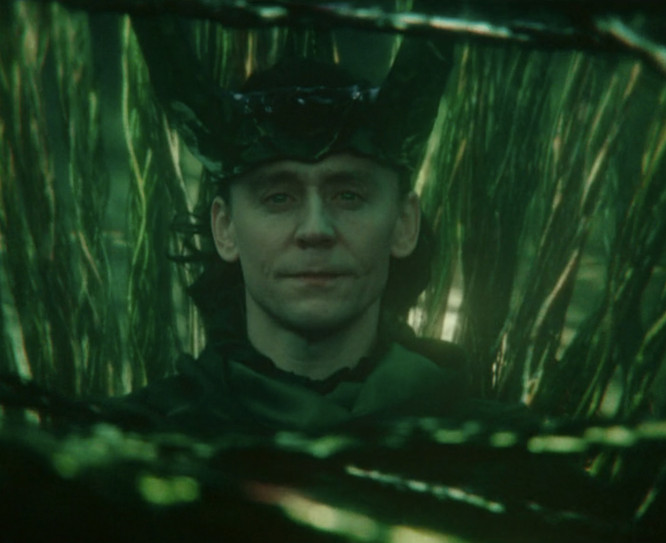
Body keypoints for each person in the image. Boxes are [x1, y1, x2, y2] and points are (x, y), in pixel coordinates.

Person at [103, 19, 471, 434]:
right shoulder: (135, 438)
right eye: (278, 197)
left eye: (348, 195)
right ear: (225, 229)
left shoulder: (495, 448)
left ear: (405, 224)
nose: (315, 230)